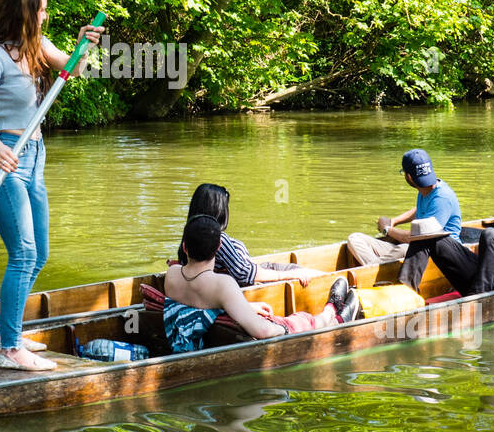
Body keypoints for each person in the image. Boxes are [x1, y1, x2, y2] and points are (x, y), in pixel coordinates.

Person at [0, 0, 102, 371]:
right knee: (23, 253)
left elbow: (76, 71)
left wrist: (82, 44)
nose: (45, 15)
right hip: (5, 159)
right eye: (41, 8)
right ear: (25, 10)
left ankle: (4, 334)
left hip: (35, 157)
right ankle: (11, 349)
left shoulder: (38, 48)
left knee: (38, 253)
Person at [163, 215, 359, 353]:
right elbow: (262, 331)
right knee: (300, 319)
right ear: (219, 247)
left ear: (184, 247)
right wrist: (286, 329)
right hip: (235, 335)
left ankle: (333, 312)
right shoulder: (223, 285)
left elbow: (200, 303)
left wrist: (247, 306)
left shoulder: (171, 275)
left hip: (211, 331)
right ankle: (333, 315)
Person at [179, 183, 325, 287]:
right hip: (252, 279)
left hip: (257, 269)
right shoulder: (216, 237)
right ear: (219, 210)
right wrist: (291, 275)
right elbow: (245, 273)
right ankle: (338, 282)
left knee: (295, 268)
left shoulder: (190, 233)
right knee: (301, 272)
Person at [347, 148, 463, 267]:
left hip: (440, 254)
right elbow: (419, 210)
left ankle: (368, 271)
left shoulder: (443, 197)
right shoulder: (425, 189)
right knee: (355, 238)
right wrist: (394, 221)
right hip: (417, 247)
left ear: (409, 177)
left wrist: (387, 229)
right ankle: (375, 267)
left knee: (403, 249)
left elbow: (417, 238)